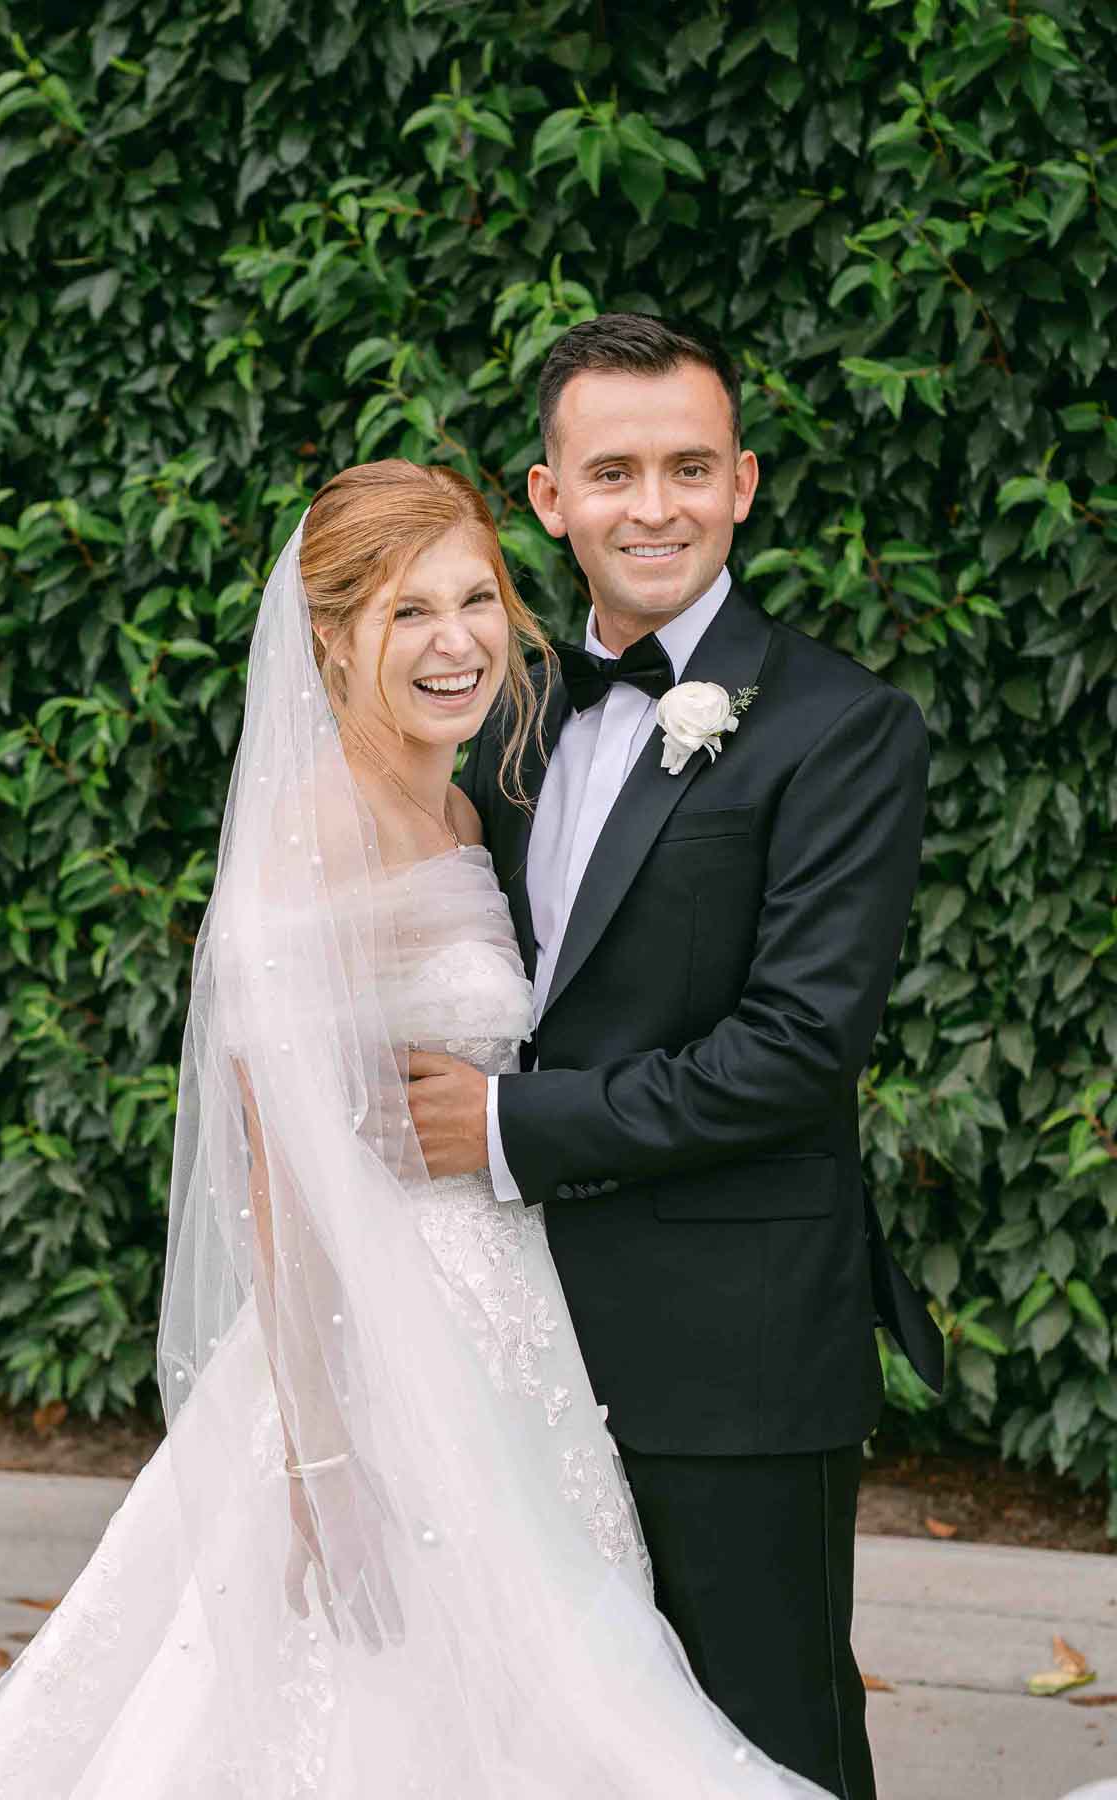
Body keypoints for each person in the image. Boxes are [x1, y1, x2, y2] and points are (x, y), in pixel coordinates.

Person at [0, 459, 831, 1798]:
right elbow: (283, 1170)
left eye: (476, 600)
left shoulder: (457, 809)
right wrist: (326, 1457)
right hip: (372, 1350)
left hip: (504, 1321)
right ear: (333, 639)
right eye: (411, 613)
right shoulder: (318, 834)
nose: (456, 641)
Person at [410, 314, 945, 1800]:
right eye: (617, 470)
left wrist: (510, 1129)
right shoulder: (499, 717)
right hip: (515, 1336)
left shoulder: (842, 728)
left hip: (739, 1347)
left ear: (746, 484)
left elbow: (794, 1049)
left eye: (691, 467)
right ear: (548, 497)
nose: (656, 505)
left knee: (768, 1748)